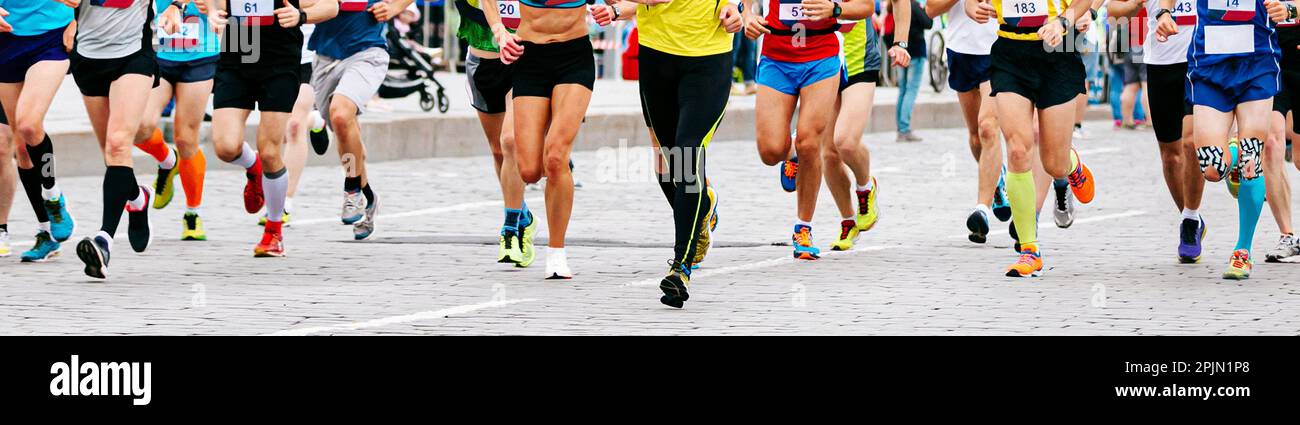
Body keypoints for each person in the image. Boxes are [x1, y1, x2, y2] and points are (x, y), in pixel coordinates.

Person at [594, 0, 739, 307]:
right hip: (656, 57)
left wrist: (739, 8)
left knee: (687, 154)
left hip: (707, 57)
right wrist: (617, 9)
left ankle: (680, 268)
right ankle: (702, 208)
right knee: (668, 162)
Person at [1156, 0, 1285, 279]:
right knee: (1212, 169)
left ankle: (1243, 251)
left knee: (1253, 156)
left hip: (1258, 60)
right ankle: (1236, 153)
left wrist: (1291, 10)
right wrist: (1163, 13)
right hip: (1209, 65)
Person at [969, 0, 1099, 277]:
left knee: (1054, 164)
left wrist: (1065, 20)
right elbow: (972, 3)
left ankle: (1070, 164)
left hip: (1057, 52)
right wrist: (972, 6)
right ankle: (1030, 250)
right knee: (1017, 150)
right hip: (1010, 53)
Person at [206, 0, 338, 258]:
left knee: (270, 151)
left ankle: (274, 230)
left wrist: (301, 15)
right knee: (225, 147)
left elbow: (330, 6)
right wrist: (212, 13)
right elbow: (215, 3)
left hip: (279, 58)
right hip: (238, 47)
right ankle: (252, 167)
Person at [744, 0, 872, 261]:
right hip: (776, 55)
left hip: (821, 54)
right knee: (770, 151)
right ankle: (791, 152)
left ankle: (803, 228)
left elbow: (866, 6)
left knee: (810, 143)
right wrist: (747, 14)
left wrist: (835, 10)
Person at [65, 0, 178, 278]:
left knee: (118, 143)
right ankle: (137, 198)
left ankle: (104, 241)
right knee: (110, 151)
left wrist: (177, 5)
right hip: (89, 56)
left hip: (133, 55)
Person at [488, 0, 596, 279]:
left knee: (556, 156)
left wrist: (617, 9)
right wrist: (499, 31)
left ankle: (556, 253)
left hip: (574, 56)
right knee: (529, 171)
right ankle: (529, 218)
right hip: (529, 57)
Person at [1109, 0, 1208, 264]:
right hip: (1161, 63)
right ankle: (1192, 217)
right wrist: (1135, 4)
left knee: (1192, 143)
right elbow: (1113, 10)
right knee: (1170, 155)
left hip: (1201, 60)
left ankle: (1189, 220)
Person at [310, 0, 412, 243]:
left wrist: (396, 7)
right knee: (345, 128)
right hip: (324, 55)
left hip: (367, 51)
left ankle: (352, 188)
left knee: (341, 115)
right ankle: (368, 196)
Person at [455, 0, 538, 268]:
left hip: (525, 61)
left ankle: (511, 230)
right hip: (484, 63)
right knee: (499, 150)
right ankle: (523, 213)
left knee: (510, 141)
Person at [825, 0, 911, 251]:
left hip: (859, 59)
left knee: (845, 142)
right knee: (829, 153)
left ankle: (865, 186)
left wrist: (900, 42)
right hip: (823, 60)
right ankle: (847, 220)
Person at [134, 0, 220, 242]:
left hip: (201, 56)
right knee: (139, 125)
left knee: (186, 138)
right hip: (161, 55)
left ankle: (193, 213)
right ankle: (167, 161)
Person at [0, 1, 77, 263]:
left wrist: (78, 21)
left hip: (52, 37)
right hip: (7, 39)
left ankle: (52, 196)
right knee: (21, 148)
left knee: (29, 124)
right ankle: (46, 232)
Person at [929, 0, 1010, 244]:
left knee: (988, 128)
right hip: (961, 51)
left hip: (999, 50)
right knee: (976, 135)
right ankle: (997, 179)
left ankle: (981, 209)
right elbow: (931, 9)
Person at [260, 22, 327, 227]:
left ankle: (285, 203)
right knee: (277, 131)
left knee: (294, 126)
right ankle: (316, 120)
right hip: (270, 57)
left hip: (308, 57)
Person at [1264, 0, 1300, 262]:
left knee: (1299, 159)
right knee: (1270, 143)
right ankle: (1286, 235)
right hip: (1269, 60)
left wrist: (1292, 10)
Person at [886, 0, 931, 142]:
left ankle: (900, 129)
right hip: (915, 53)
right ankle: (904, 129)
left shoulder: (892, 6)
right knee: (911, 90)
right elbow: (928, 23)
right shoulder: (914, 5)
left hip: (900, 52)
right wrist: (924, 10)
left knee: (903, 90)